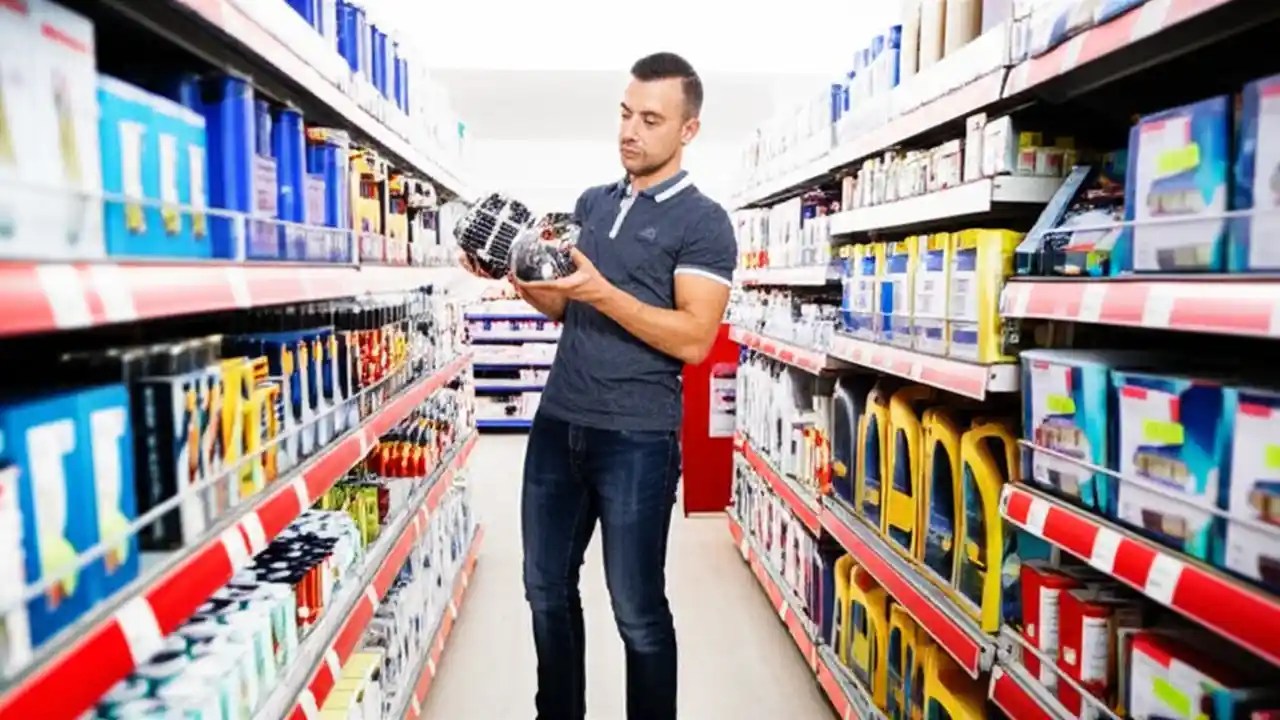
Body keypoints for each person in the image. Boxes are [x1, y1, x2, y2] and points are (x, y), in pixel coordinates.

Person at [458, 51, 736, 720]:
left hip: (637, 439)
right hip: (558, 426)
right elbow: (566, 306)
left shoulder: (704, 222)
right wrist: (513, 276)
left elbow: (694, 338)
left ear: (688, 130)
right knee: (544, 588)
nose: (630, 131)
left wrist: (603, 292)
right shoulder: (591, 203)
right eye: (625, 113)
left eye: (650, 120)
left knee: (636, 610)